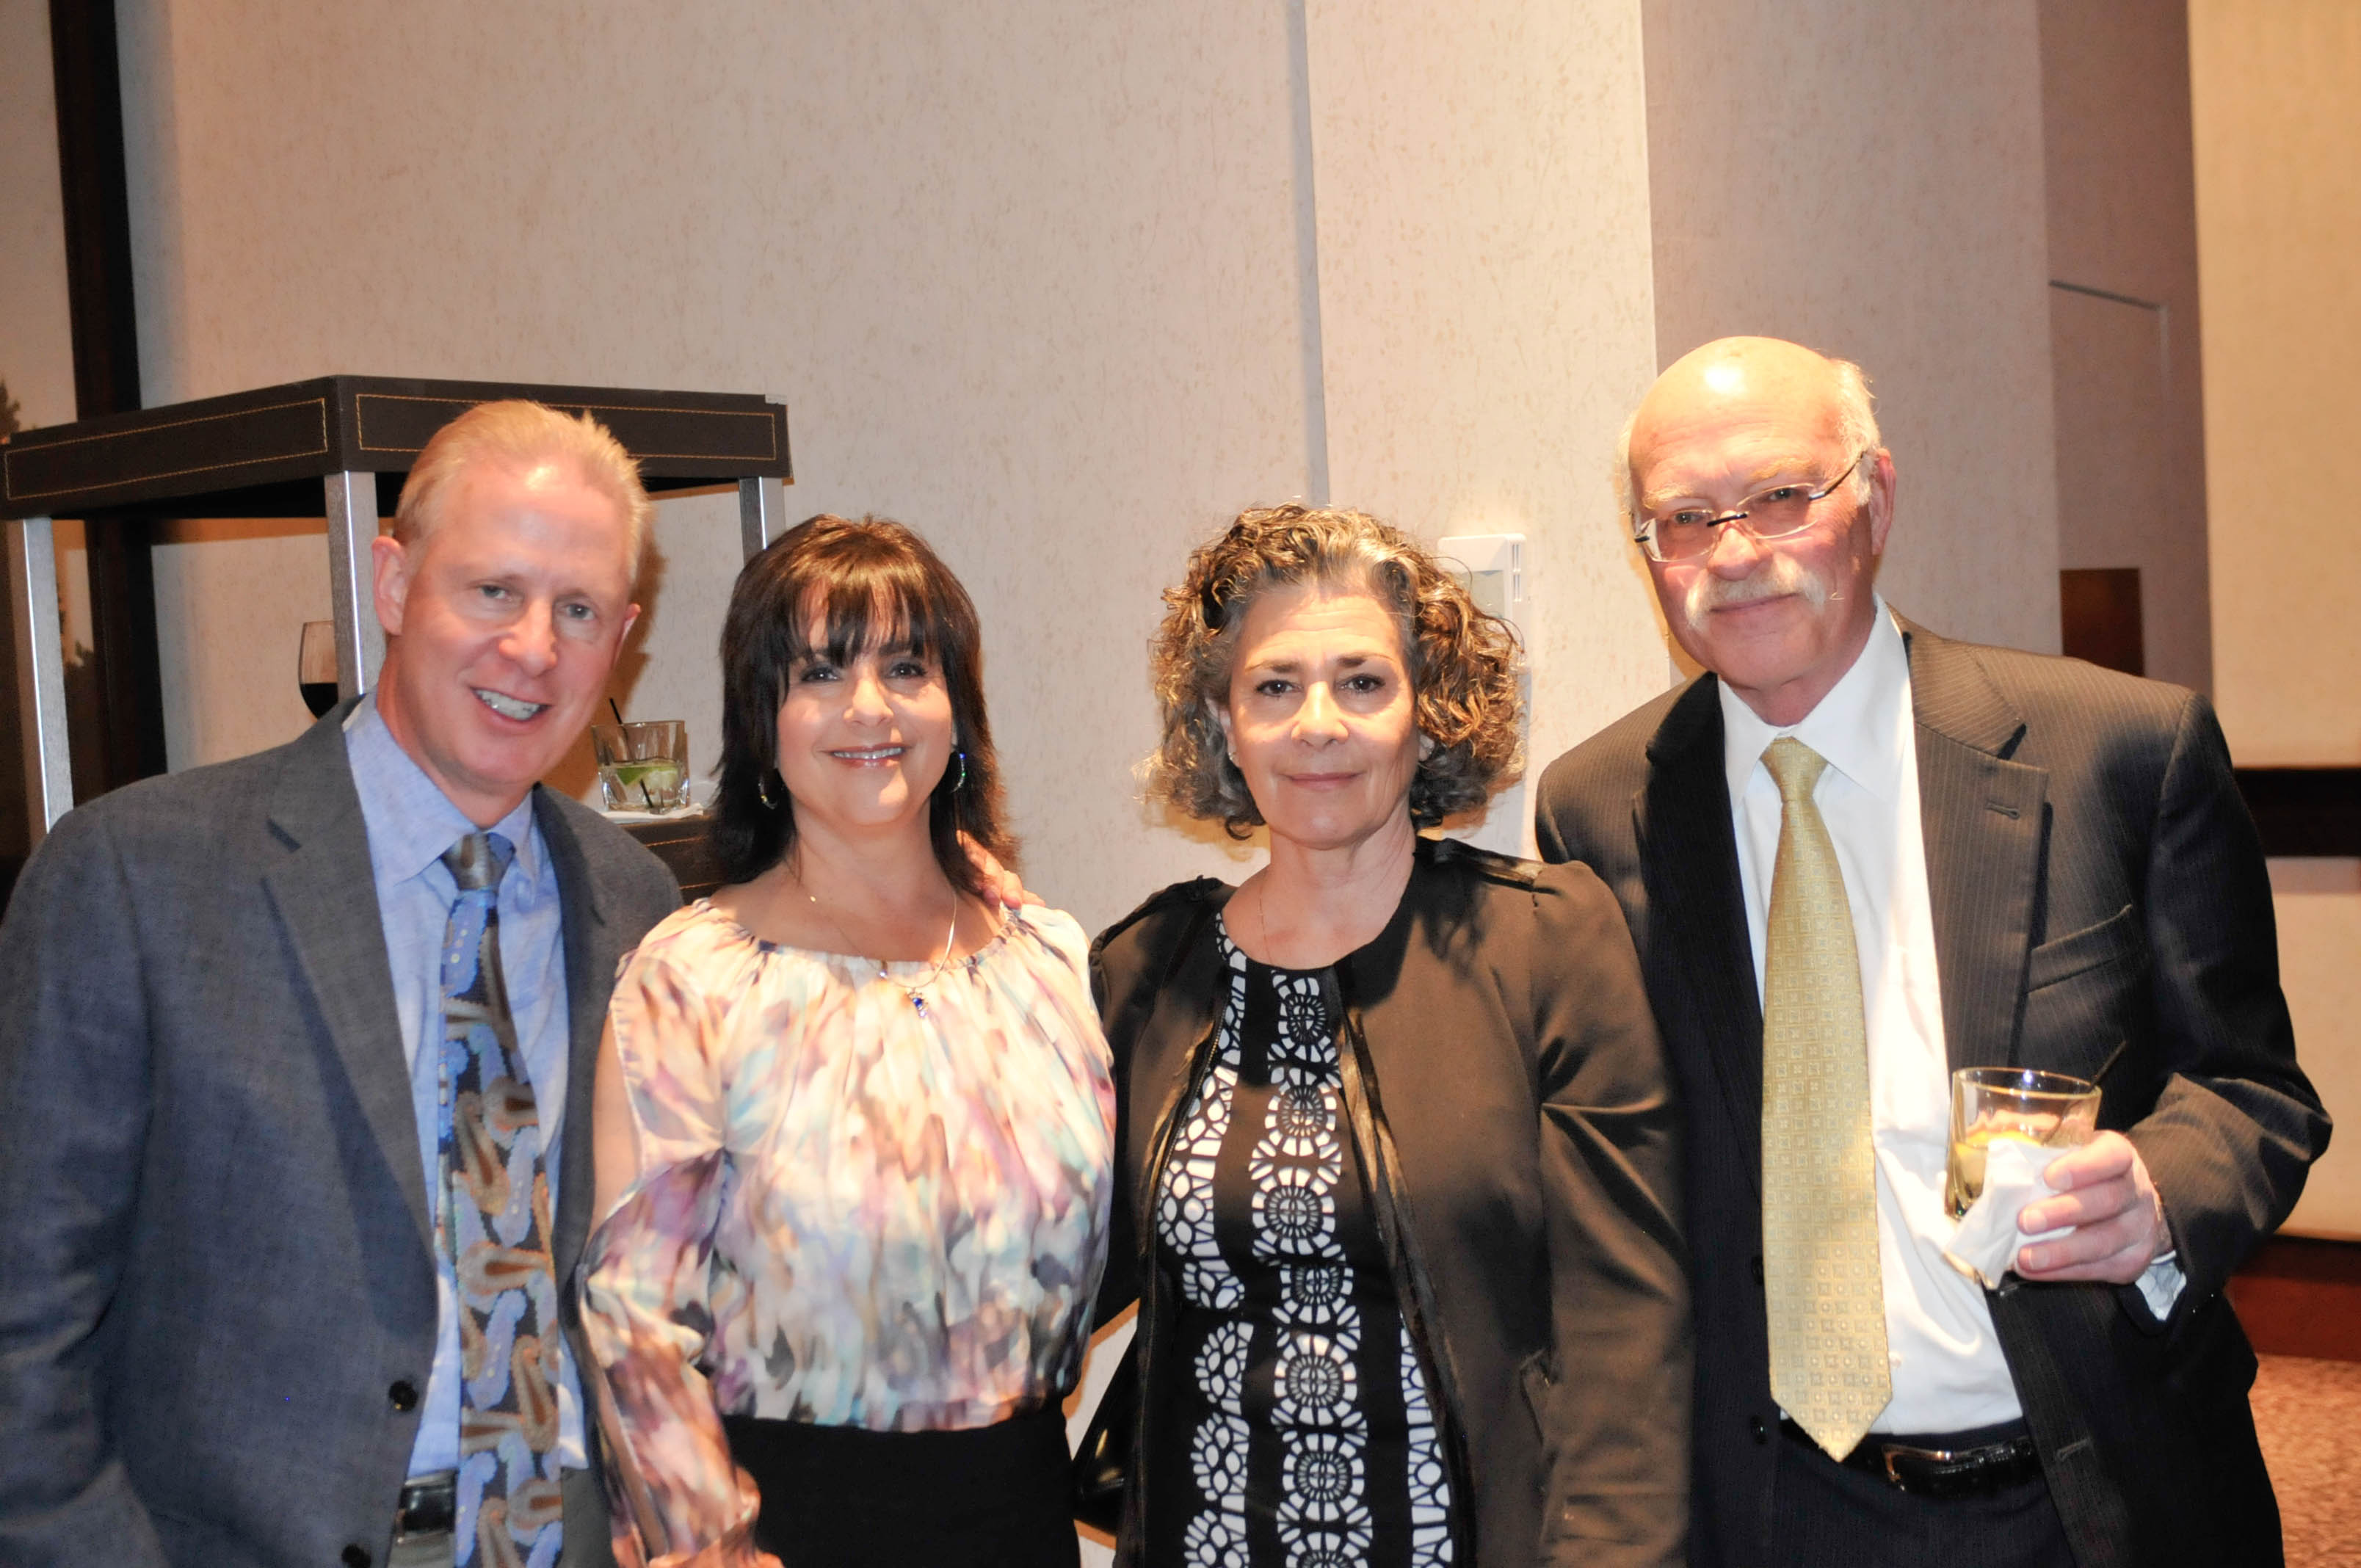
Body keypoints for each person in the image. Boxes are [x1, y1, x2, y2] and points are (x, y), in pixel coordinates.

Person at [1534, 336, 2331, 1568]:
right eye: (1684, 519)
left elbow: (2255, 1093)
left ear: (1876, 503)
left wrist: (2161, 1191)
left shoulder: (2117, 750)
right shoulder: (1599, 808)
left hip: (2088, 1486)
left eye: (1782, 498)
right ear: (1650, 559)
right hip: (1775, 1507)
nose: (1735, 552)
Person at [0, 399, 683, 1568]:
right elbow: (23, 1330)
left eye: (577, 611)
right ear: (394, 582)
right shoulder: (136, 877)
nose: (534, 648)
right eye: (493, 591)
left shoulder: (638, 906)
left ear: (620, 636)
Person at [1089, 505, 1689, 1568]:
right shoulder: (1147, 973)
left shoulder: (1549, 946)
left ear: (1428, 716)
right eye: (1275, 687)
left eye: (1363, 683)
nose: (1318, 723)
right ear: (1225, 723)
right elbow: (1035, 1281)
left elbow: (1627, 1336)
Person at [578, 514, 1115, 1568]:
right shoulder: (696, 976)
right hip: (785, 1527)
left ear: (957, 708)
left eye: (907, 667)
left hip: (1020, 1519)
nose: (869, 708)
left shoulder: (1048, 956)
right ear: (762, 721)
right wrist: (710, 1545)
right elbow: (632, 1318)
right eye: (819, 673)